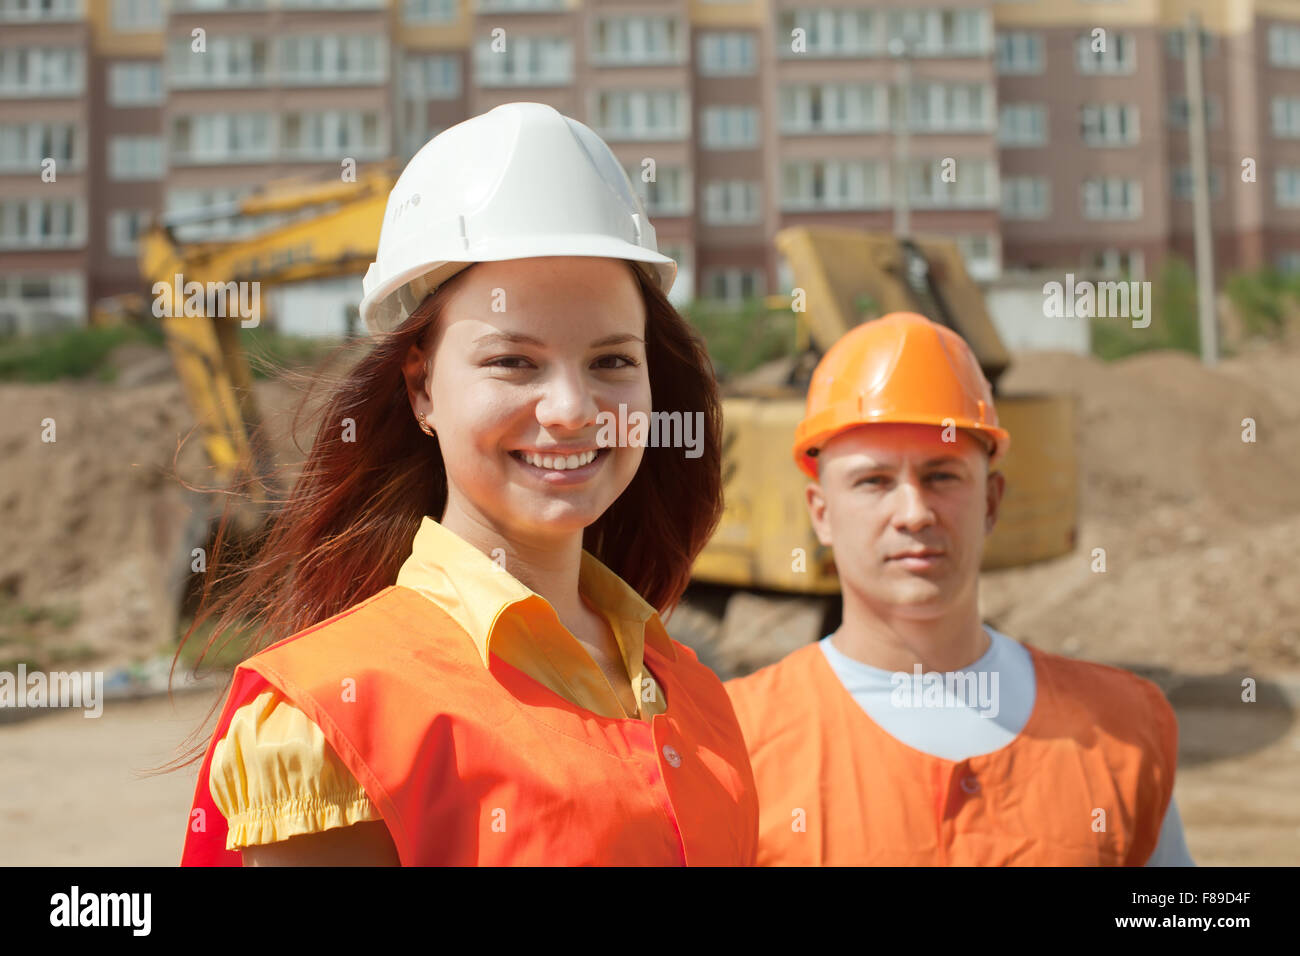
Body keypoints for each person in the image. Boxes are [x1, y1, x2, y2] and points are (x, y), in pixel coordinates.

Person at [175, 102, 758, 866]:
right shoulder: (335, 715)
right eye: (513, 362)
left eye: (612, 361)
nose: (573, 410)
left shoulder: (698, 698)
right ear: (421, 391)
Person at [724, 312, 1193, 866]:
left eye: (941, 476)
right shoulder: (733, 743)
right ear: (821, 514)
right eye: (874, 482)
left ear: (991, 502)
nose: (914, 513)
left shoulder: (1120, 731)